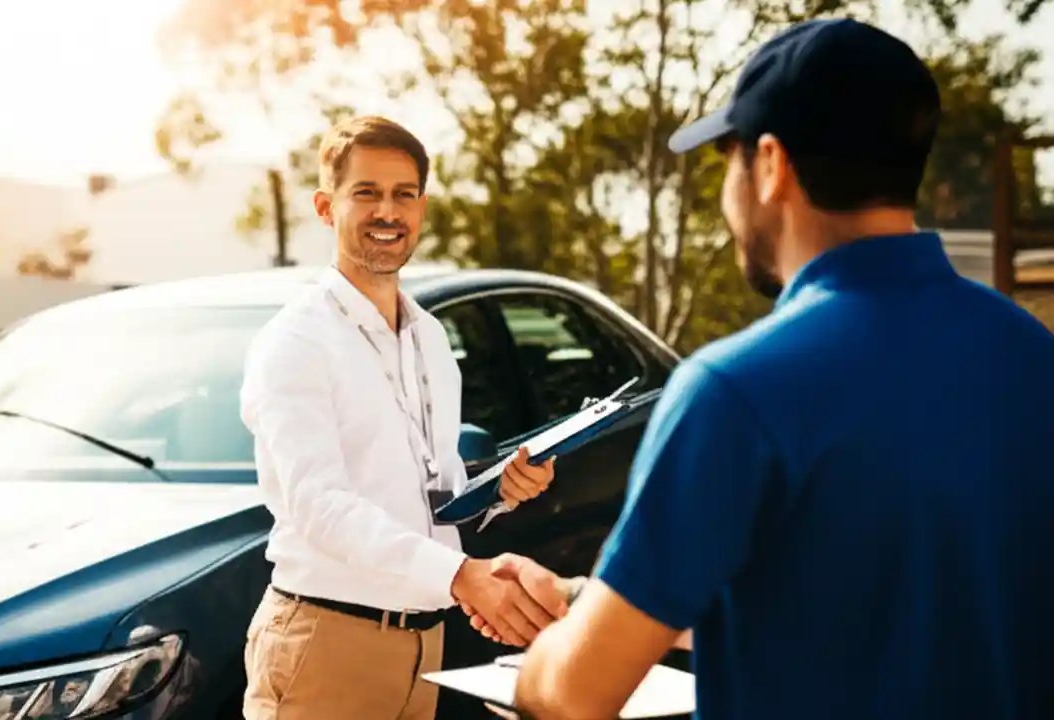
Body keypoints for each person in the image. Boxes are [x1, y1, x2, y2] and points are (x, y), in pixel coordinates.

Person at [467, 18, 1054, 720]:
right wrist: (576, 598)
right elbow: (860, 599)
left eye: (728, 161)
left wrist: (551, 656)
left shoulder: (736, 392)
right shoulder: (1029, 353)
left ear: (771, 165)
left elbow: (569, 696)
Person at [239, 114, 564, 720]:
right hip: (325, 644)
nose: (388, 212)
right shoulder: (296, 340)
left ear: (421, 206)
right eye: (366, 193)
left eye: (403, 195)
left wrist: (496, 494)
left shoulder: (432, 338)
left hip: (424, 644)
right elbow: (319, 505)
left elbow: (427, 494)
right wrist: (462, 574)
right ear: (324, 206)